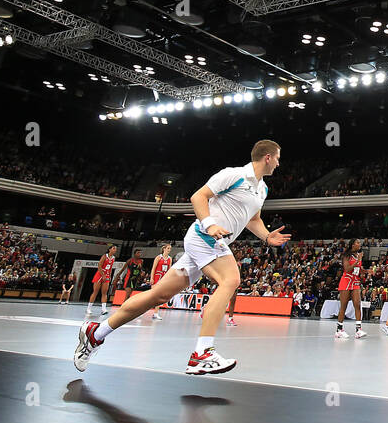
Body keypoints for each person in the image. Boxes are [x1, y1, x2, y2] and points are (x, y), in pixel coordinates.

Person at [73, 140, 290, 376]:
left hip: (213, 244)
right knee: (231, 280)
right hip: (204, 237)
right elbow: (199, 197)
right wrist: (210, 225)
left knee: (157, 295)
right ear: (267, 157)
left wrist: (266, 236)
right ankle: (202, 353)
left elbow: (253, 219)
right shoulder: (234, 175)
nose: (279, 163)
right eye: (278, 158)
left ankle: (95, 333)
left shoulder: (262, 189)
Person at [335, 238, 366, 339]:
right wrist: (358, 261)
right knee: (343, 306)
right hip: (346, 281)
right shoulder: (346, 255)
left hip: (355, 282)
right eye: (358, 242)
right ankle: (339, 330)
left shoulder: (358, 256)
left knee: (357, 304)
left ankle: (358, 330)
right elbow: (347, 268)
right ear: (353, 245)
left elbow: (358, 269)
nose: (359, 244)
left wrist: (366, 271)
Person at [84, 244, 117, 316]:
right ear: (110, 249)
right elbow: (99, 266)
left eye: (115, 249)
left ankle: (103, 309)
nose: (115, 250)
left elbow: (110, 267)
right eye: (114, 248)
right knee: (95, 292)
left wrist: (110, 276)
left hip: (107, 275)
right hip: (100, 274)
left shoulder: (113, 258)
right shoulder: (105, 256)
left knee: (104, 293)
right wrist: (103, 275)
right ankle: (88, 308)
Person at [149, 244, 173, 320]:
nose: (169, 250)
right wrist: (151, 278)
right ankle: (141, 310)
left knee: (159, 296)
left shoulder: (170, 259)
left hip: (163, 278)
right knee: (151, 296)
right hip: (156, 277)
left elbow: (169, 270)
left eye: (170, 248)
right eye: (168, 248)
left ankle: (156, 313)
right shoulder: (159, 257)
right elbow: (153, 268)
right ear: (164, 249)